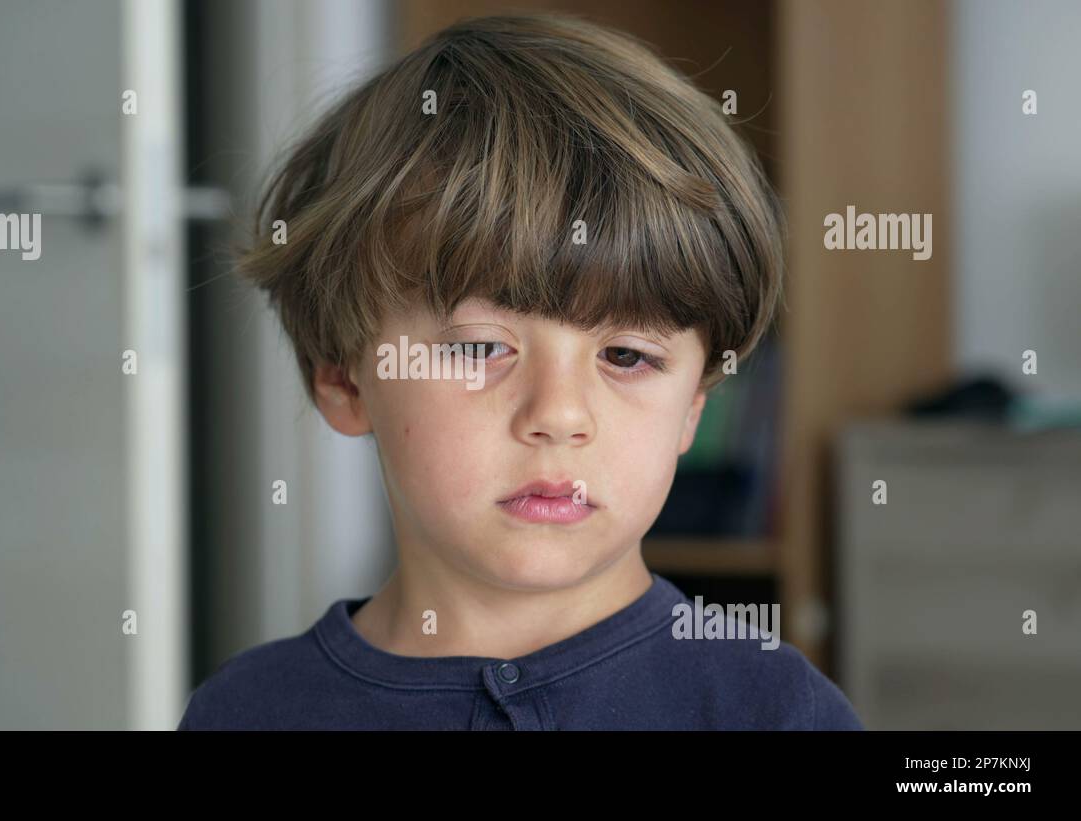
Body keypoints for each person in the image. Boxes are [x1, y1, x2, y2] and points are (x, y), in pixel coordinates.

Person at [179, 11, 863, 730]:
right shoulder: (247, 711)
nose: (560, 414)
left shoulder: (776, 711)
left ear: (694, 402)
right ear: (344, 377)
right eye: (480, 348)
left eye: (626, 356)